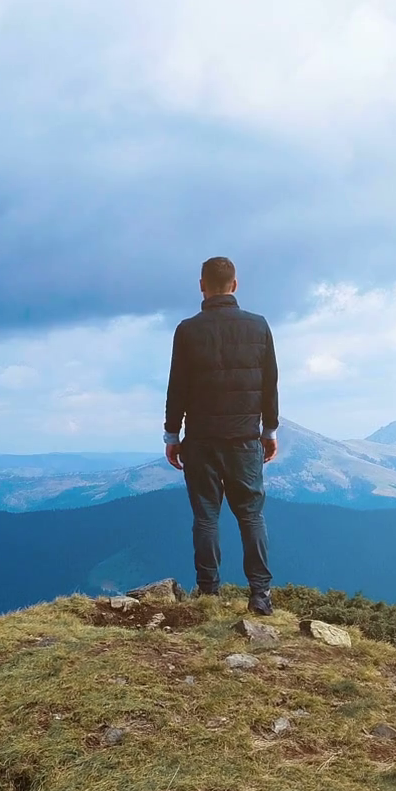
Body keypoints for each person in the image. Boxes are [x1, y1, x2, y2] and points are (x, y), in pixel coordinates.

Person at [164, 255, 280, 615]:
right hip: (245, 438)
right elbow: (269, 385)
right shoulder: (259, 327)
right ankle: (260, 594)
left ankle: (208, 591)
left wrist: (172, 435)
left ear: (202, 285)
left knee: (206, 516)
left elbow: (177, 388)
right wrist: (269, 430)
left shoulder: (187, 330)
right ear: (235, 284)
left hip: (200, 439)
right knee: (251, 516)